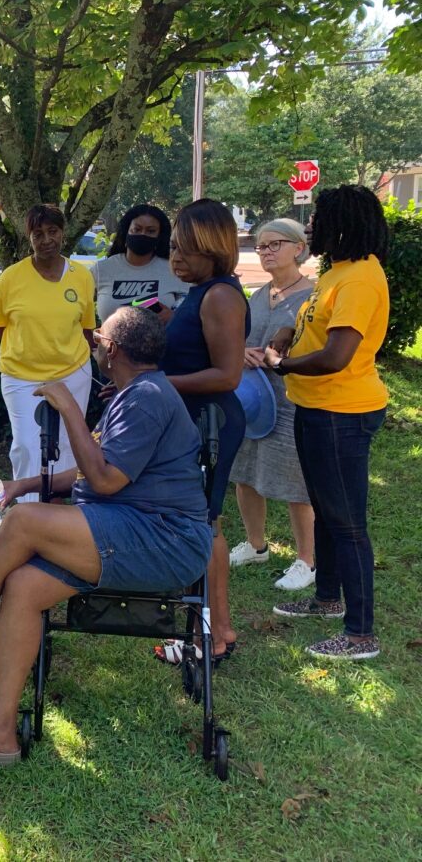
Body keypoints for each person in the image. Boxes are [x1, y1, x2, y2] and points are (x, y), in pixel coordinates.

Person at [0, 308, 211, 765]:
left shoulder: (146, 397)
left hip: (165, 540)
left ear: (111, 349)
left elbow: (104, 480)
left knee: (23, 522)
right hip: (129, 529)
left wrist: (69, 408)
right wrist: (21, 485)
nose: (94, 343)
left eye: (98, 338)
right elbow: (94, 471)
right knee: (23, 586)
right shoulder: (135, 394)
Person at [264, 185, 390, 660]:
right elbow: (315, 323)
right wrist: (287, 332)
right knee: (325, 507)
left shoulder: (359, 278)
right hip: (317, 407)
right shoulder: (337, 271)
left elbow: (337, 355)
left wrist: (283, 365)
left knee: (347, 522)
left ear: (344, 223)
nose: (311, 225)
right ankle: (326, 599)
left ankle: (360, 635)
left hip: (342, 413)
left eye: (319, 218)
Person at [154, 199, 248, 668]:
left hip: (210, 423)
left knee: (204, 527)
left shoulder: (220, 296)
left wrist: (157, 383)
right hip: (194, 420)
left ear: (212, 247)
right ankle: (215, 630)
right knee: (206, 525)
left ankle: (209, 635)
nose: (175, 257)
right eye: (172, 247)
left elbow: (228, 374)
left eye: (185, 249)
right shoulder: (201, 291)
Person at [228, 218, 316, 590]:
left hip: (291, 400)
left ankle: (306, 561)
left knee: (297, 484)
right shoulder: (258, 294)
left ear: (299, 248)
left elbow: (317, 347)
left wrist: (277, 357)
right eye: (262, 246)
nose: (266, 252)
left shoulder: (313, 295)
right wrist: (242, 352)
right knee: (244, 473)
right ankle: (256, 545)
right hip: (251, 400)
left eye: (275, 244)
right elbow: (238, 339)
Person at [0, 204, 95, 496]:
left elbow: (86, 328)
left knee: (70, 443)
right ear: (29, 238)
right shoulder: (10, 278)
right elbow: (0, 328)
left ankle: (59, 508)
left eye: (53, 231)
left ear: (63, 233)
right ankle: (28, 510)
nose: (46, 239)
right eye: (38, 234)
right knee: (26, 445)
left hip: (73, 373)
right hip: (21, 376)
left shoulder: (82, 276)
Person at [92, 203, 187, 321]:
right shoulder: (102, 270)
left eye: (151, 231)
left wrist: (174, 317)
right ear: (126, 231)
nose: (143, 234)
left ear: (160, 236)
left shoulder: (173, 270)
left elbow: (193, 314)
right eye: (137, 229)